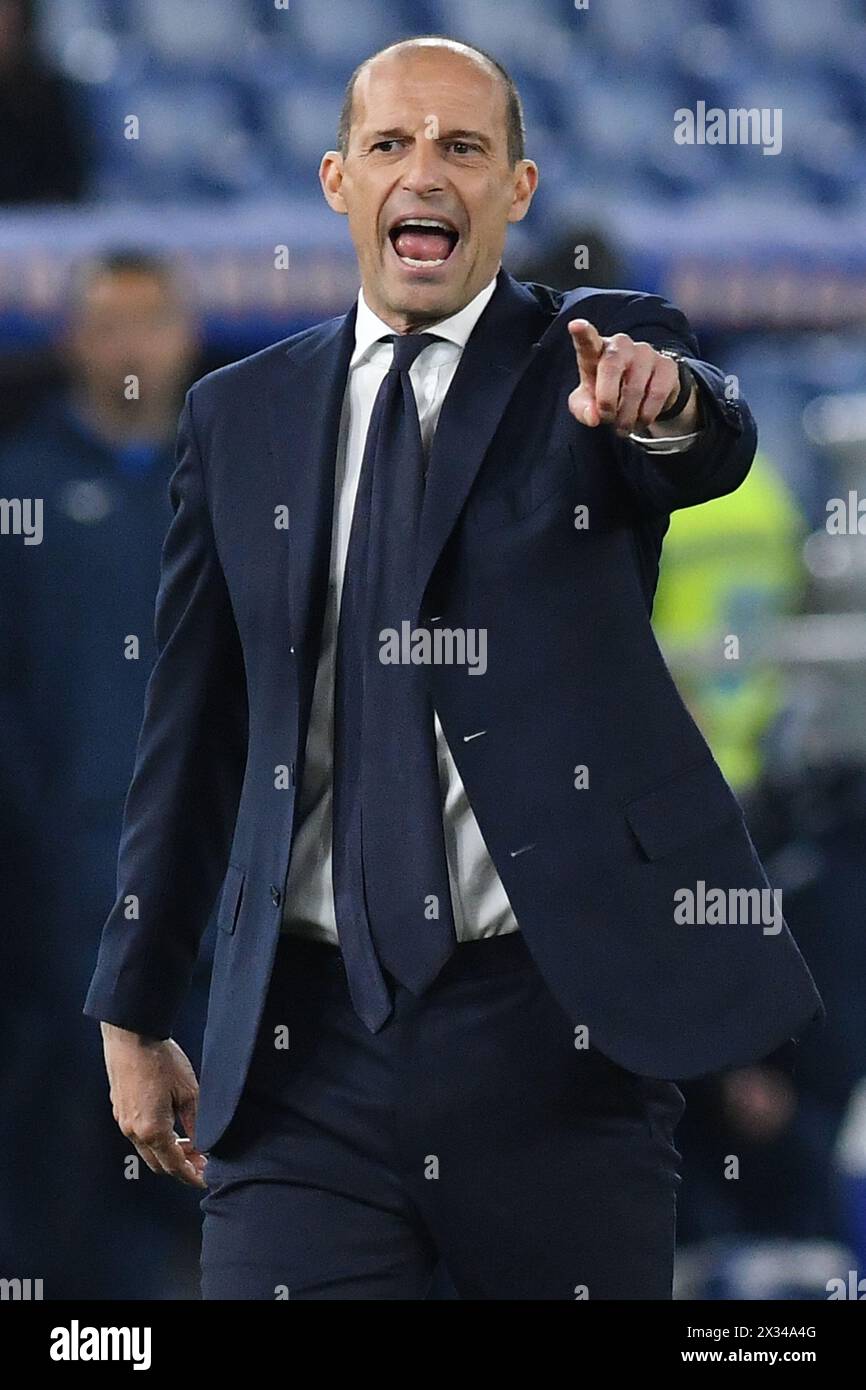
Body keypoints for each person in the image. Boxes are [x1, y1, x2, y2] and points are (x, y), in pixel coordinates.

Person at [83, 36, 823, 1300]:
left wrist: (667, 403)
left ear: (515, 192)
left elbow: (702, 432)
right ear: (336, 180)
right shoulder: (239, 415)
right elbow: (194, 735)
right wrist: (134, 1001)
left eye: (462, 148)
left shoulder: (586, 359)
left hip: (555, 1040)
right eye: (390, 144)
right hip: (300, 1048)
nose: (422, 171)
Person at [0, 250, 204, 1297]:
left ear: (187, 336)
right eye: (108, 322)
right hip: (55, 903)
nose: (130, 345)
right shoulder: (18, 493)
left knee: (221, 1166)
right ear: (74, 340)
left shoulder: (233, 489)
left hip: (214, 897)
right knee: (58, 1191)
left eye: (151, 320)